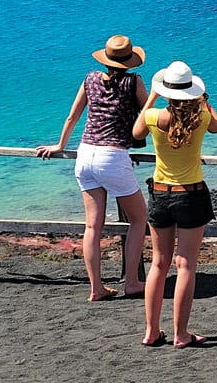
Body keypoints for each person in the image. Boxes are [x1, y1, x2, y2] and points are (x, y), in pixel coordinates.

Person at [35, 34, 149, 302]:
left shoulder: (90, 78)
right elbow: (147, 115)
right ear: (129, 61)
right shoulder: (134, 81)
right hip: (113, 155)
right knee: (138, 219)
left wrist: (60, 145)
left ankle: (96, 287)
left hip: (85, 154)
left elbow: (73, 115)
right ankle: (132, 281)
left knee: (92, 227)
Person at [132, 60, 217, 349]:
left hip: (160, 193)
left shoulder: (153, 117)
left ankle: (151, 331)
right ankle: (181, 333)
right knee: (186, 266)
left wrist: (154, 97)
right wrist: (204, 101)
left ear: (166, 92)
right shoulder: (201, 119)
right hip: (191, 194)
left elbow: (135, 133)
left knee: (159, 263)